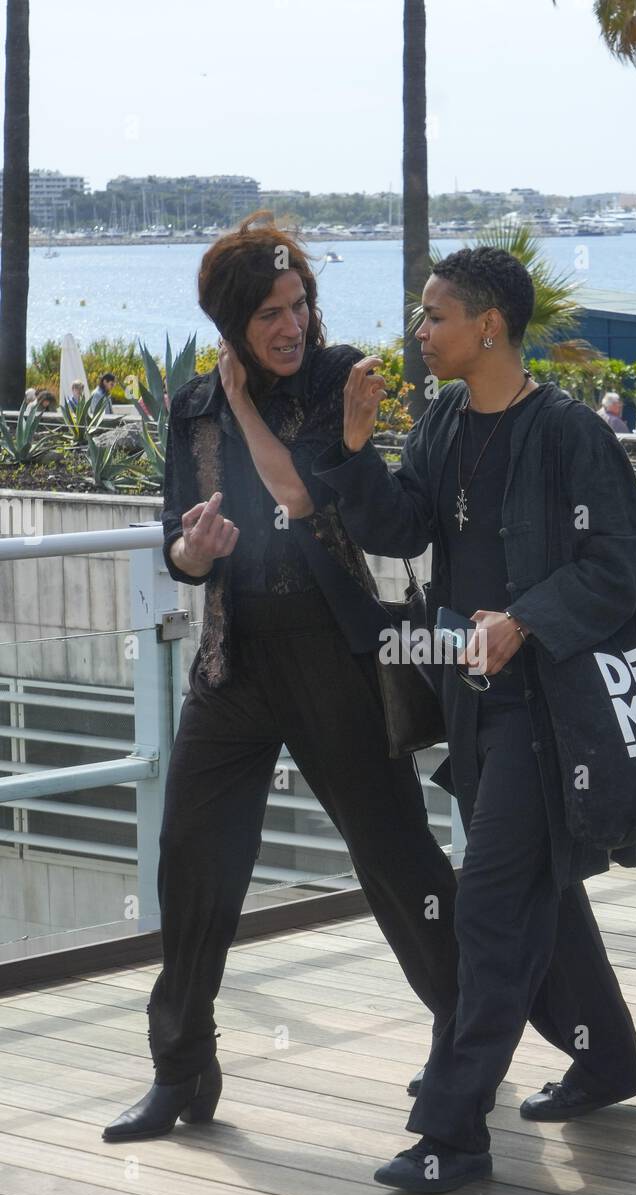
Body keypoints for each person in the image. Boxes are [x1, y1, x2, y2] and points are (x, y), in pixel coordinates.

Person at [102, 212, 460, 1143]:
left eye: (298, 304)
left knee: (396, 858)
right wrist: (191, 548)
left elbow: (304, 500)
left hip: (333, 652)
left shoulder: (338, 380)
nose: (291, 325)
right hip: (232, 655)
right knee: (190, 860)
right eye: (269, 312)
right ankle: (181, 1073)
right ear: (232, 321)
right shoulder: (188, 407)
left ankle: (468, 1043)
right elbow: (177, 543)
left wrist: (246, 404)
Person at [311, 247, 636, 1193]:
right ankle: (609, 1058)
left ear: (489, 323)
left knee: (494, 909)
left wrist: (525, 620)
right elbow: (401, 530)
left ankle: (452, 1133)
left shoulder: (570, 433)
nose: (420, 332)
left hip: (549, 714)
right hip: (471, 704)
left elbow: (621, 558)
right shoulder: (447, 419)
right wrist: (354, 447)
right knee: (538, 885)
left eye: (435, 316)